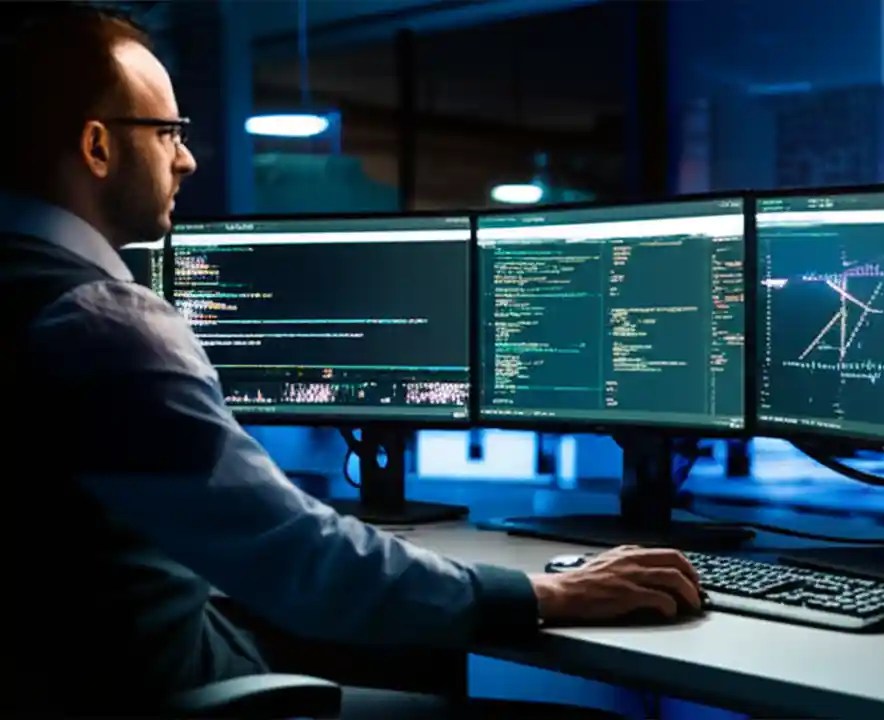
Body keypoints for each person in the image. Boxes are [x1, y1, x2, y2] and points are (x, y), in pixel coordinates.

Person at [0, 5, 702, 718]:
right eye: (169, 133)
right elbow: (301, 559)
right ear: (96, 146)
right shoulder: (98, 324)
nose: (188, 158)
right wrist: (546, 592)